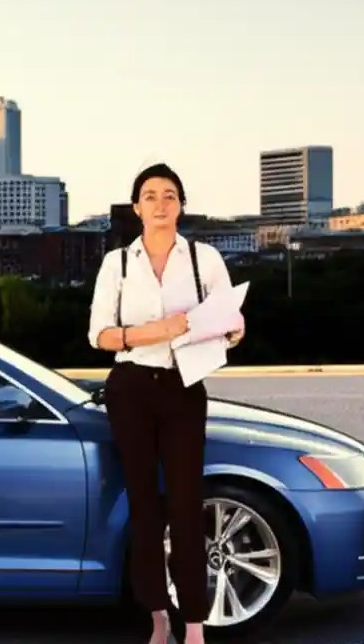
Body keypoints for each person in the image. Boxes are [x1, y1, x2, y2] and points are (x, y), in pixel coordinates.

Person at [87, 163, 243, 644]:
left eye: (169, 195)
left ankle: (193, 623)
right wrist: (157, 331)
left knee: (185, 504)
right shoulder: (118, 263)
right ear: (136, 208)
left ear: (180, 205)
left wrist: (234, 331)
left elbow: (230, 323)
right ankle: (156, 617)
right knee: (144, 506)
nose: (160, 204)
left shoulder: (204, 259)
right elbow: (100, 335)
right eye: (150, 196)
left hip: (183, 387)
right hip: (130, 388)